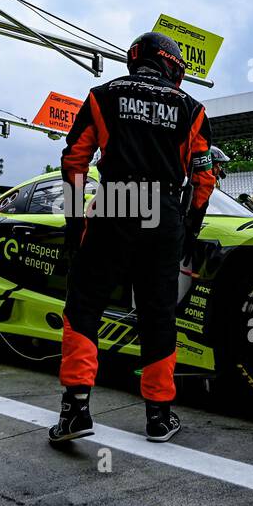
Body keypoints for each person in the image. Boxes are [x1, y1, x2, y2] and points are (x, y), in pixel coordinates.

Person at [51, 31, 215, 444]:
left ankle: (75, 411)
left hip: (116, 202)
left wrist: (75, 223)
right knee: (159, 313)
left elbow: (74, 161)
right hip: (164, 211)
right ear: (172, 64)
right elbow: (204, 178)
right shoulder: (192, 108)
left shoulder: (102, 95)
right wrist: (188, 229)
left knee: (85, 303)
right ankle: (159, 417)